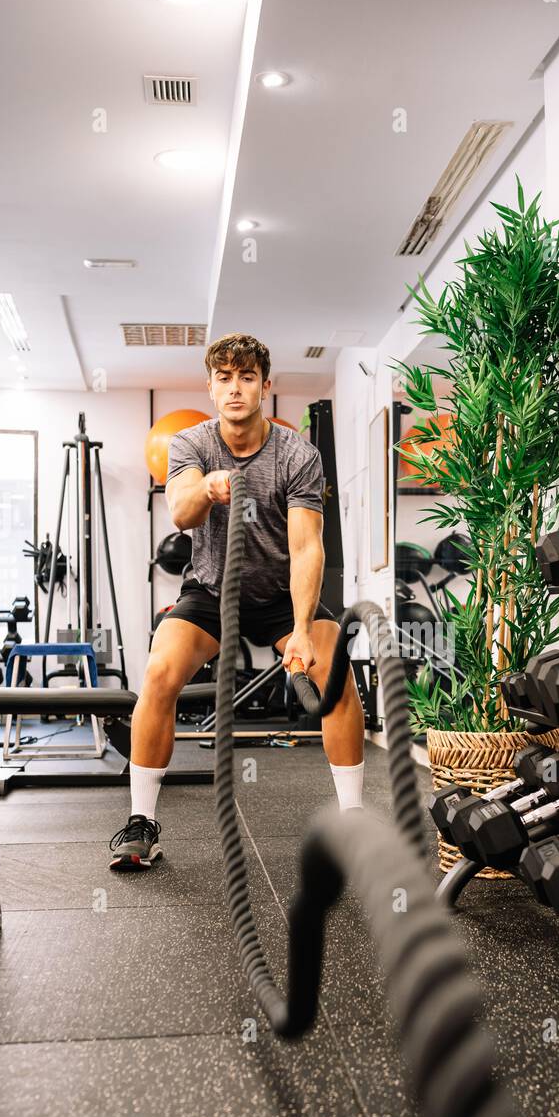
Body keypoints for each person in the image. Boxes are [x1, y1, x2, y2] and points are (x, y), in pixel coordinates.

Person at [109, 332, 365, 870]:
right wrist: (206, 488)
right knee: (158, 674)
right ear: (210, 385)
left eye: (246, 377)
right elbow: (180, 513)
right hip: (210, 590)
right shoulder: (193, 444)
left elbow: (305, 546)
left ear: (265, 386)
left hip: (278, 593)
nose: (235, 388)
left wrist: (300, 629)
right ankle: (141, 823)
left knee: (336, 674)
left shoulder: (298, 453)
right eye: (224, 378)